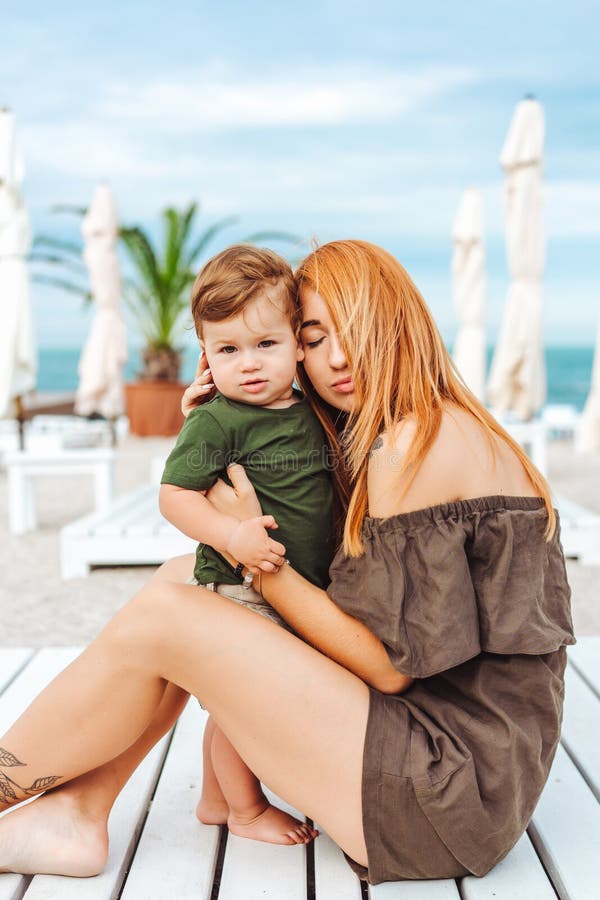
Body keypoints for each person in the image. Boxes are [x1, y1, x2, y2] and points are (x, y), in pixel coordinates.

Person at [0, 240, 574, 885]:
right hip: (455, 768)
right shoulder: (409, 428)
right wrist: (224, 427)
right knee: (184, 582)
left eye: (355, 331)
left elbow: (391, 671)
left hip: (446, 786)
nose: (336, 359)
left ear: (402, 325)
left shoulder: (417, 442)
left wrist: (260, 563)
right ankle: (77, 810)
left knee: (171, 613)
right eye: (313, 336)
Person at [159, 244, 332, 845]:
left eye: (266, 344)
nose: (249, 364)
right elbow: (175, 497)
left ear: (297, 343)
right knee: (246, 705)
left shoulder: (312, 410)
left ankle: (213, 799)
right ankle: (246, 809)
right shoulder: (219, 420)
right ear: (205, 353)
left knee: (240, 701)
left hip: (295, 585)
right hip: (238, 588)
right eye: (228, 349)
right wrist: (232, 534)